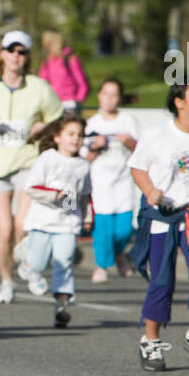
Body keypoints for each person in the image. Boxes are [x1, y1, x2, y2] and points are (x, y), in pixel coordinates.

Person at [127, 77, 189, 371]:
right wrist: (150, 192)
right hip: (162, 216)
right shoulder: (157, 134)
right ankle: (151, 341)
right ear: (179, 101)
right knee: (161, 280)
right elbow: (138, 167)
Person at [0, 29, 63, 302]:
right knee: (4, 230)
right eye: (11, 50)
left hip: (27, 163)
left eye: (22, 52)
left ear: (27, 57)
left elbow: (61, 119)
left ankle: (26, 264)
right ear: (2, 54)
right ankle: (6, 281)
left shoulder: (39, 87)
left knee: (22, 224)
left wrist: (45, 127)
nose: (16, 56)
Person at [22, 112, 91, 328]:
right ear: (57, 137)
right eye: (70, 134)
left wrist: (87, 217)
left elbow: (85, 194)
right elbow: (31, 187)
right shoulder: (47, 159)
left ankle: (62, 305)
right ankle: (26, 262)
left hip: (68, 223)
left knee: (65, 262)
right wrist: (54, 195)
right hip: (42, 221)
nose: (75, 139)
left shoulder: (83, 165)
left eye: (79, 135)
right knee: (39, 263)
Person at [83, 77, 139, 282]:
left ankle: (119, 254)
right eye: (105, 94)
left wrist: (129, 141)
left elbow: (140, 150)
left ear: (119, 98)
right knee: (103, 231)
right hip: (101, 184)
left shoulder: (128, 120)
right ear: (99, 96)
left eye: (114, 95)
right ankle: (102, 266)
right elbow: (83, 159)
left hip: (123, 182)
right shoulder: (92, 123)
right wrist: (94, 148)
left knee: (124, 229)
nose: (109, 99)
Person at [37, 31, 90, 111]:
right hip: (53, 104)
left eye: (48, 44)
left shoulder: (70, 59)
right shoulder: (47, 62)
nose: (45, 47)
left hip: (70, 104)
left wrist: (77, 101)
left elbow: (82, 84)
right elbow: (42, 84)